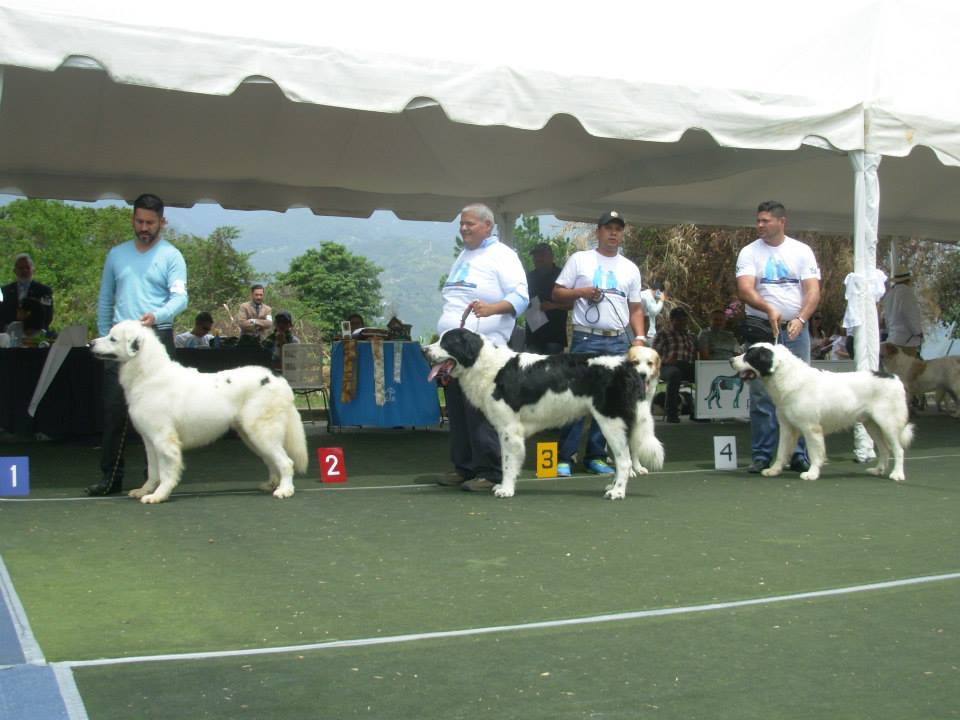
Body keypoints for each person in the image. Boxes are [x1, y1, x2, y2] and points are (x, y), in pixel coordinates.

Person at [87, 193, 188, 496]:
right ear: (133, 220)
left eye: (150, 223)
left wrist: (158, 315)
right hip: (119, 345)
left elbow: (180, 298)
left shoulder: (172, 256)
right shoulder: (116, 255)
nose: (144, 228)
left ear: (162, 222)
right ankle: (110, 478)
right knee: (114, 411)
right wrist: (105, 337)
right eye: (140, 222)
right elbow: (105, 299)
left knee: (159, 414)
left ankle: (155, 479)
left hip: (156, 340)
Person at [435, 203, 528, 492]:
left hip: (484, 354)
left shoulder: (503, 255)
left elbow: (521, 297)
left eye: (470, 224)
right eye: (461, 224)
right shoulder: (464, 255)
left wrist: (491, 309)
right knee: (458, 412)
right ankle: (464, 467)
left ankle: (490, 472)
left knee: (481, 413)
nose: (464, 229)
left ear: (488, 226)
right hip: (455, 354)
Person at [552, 210, 646, 477]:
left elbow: (636, 308)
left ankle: (596, 455)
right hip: (586, 337)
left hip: (618, 339)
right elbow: (556, 293)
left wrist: (639, 338)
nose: (613, 233)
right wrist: (581, 292)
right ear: (598, 231)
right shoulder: (580, 259)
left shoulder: (630, 268)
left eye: (618, 229)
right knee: (575, 398)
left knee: (609, 401)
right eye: (608, 228)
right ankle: (565, 456)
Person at [736, 200, 820, 474]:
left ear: (781, 221)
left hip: (795, 330)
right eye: (758, 220)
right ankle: (762, 455)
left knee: (800, 394)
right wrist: (768, 308)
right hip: (762, 328)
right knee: (761, 394)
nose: (759, 225)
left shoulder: (801, 251)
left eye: (765, 221)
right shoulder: (749, 252)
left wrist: (801, 318)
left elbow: (813, 291)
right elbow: (745, 289)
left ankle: (799, 456)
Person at [524, 242, 571, 354]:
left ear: (551, 256)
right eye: (535, 256)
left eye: (542, 255)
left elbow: (573, 304)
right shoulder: (528, 277)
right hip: (533, 335)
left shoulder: (562, 276)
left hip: (554, 336)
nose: (538, 259)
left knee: (553, 365)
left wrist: (554, 306)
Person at [653, 307, 697, 422]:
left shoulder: (690, 336)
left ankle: (698, 411)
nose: (682, 322)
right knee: (674, 374)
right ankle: (671, 412)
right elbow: (653, 355)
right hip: (666, 366)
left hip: (686, 365)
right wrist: (666, 360)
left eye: (684, 320)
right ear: (671, 320)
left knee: (701, 373)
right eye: (678, 320)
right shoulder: (663, 334)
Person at [0, 253, 53, 332]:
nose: (25, 271)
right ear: (15, 271)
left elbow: (47, 316)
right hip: (7, 333)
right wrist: (15, 316)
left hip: (35, 333)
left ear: (33, 270)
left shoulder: (44, 290)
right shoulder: (4, 291)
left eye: (27, 268)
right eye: (21, 268)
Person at [881, 270, 923, 356]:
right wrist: (918, 332)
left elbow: (887, 319)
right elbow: (911, 315)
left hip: (892, 338)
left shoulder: (889, 294)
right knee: (909, 364)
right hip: (907, 341)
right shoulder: (906, 292)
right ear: (908, 280)